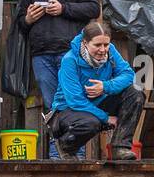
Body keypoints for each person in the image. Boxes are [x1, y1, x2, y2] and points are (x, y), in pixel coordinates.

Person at [14, 0, 101, 152]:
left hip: (69, 52)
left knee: (72, 101)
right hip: (41, 54)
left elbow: (93, 8)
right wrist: (29, 19)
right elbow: (20, 22)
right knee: (52, 104)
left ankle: (74, 152)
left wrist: (64, 8)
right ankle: (59, 152)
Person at [48, 20, 143, 160]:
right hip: (68, 110)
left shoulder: (111, 51)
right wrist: (105, 117)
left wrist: (105, 86)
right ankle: (66, 146)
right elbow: (75, 100)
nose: (103, 50)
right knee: (91, 123)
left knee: (135, 93)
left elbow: (128, 75)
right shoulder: (70, 60)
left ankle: (120, 147)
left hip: (98, 103)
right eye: (97, 45)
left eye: (106, 44)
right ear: (85, 43)